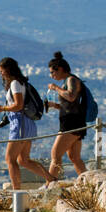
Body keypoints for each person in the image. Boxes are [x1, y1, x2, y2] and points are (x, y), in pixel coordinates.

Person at [0, 57, 56, 189]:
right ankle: (51, 179)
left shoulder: (15, 84)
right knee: (23, 160)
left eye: (2, 71)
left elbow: (18, 105)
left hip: (20, 124)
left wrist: (2, 108)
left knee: (10, 159)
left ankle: (17, 192)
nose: (1, 74)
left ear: (8, 70)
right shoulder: (21, 83)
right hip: (27, 124)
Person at [44, 51, 88, 179]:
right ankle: (87, 182)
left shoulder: (72, 80)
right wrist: (54, 105)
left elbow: (71, 96)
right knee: (74, 157)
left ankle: (50, 184)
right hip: (73, 121)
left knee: (55, 155)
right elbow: (69, 105)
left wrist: (56, 88)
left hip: (71, 124)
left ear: (61, 69)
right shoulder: (68, 81)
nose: (51, 75)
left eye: (52, 72)